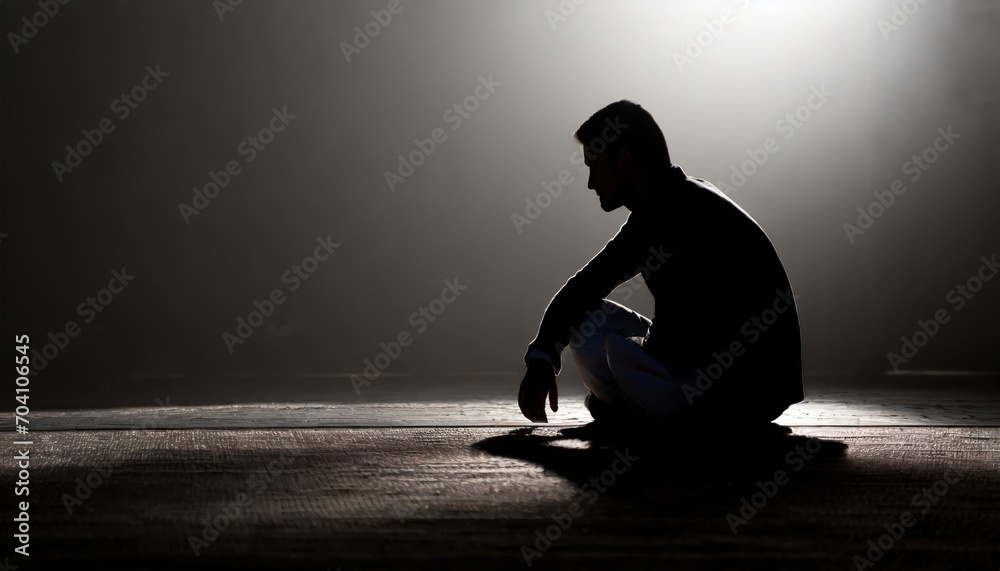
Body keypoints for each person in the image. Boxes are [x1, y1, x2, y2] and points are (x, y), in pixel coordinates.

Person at [517, 100, 803, 429]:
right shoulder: (669, 202)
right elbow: (586, 287)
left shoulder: (676, 212)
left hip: (745, 387)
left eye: (594, 167)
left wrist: (548, 359)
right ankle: (639, 406)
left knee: (619, 355)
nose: (591, 183)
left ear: (624, 161)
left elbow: (703, 330)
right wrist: (543, 355)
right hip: (715, 370)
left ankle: (643, 409)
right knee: (588, 324)